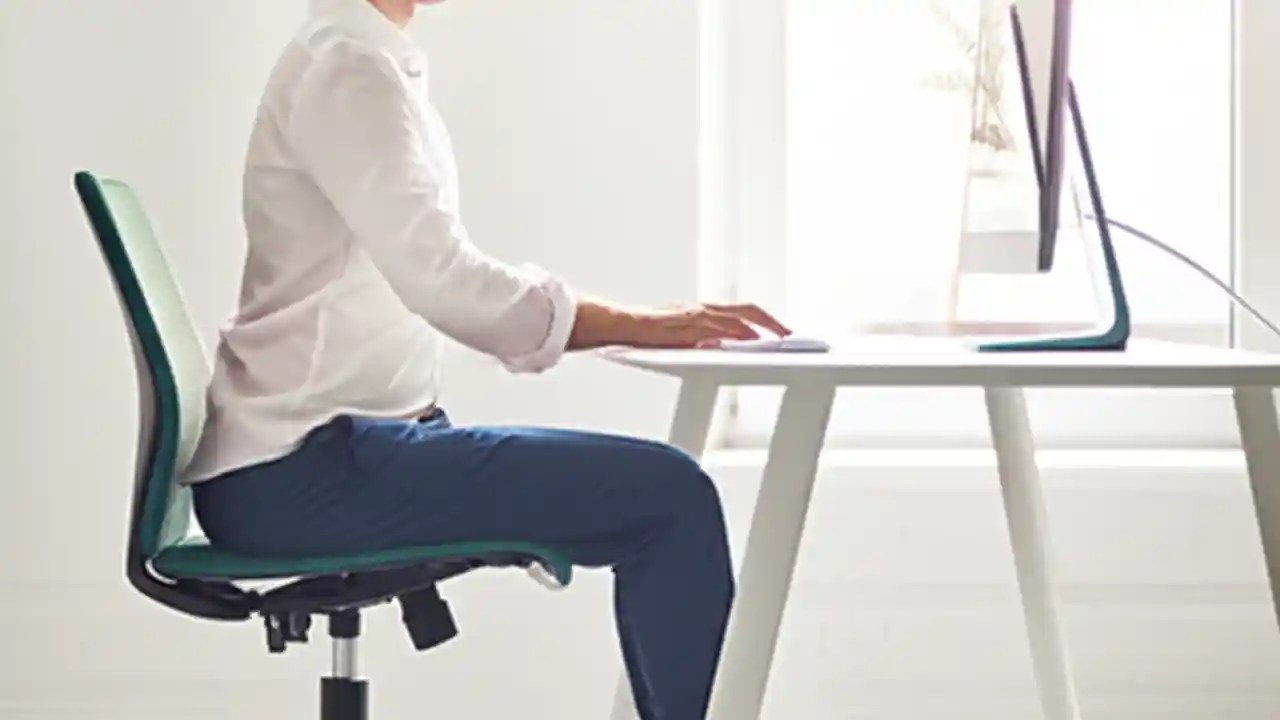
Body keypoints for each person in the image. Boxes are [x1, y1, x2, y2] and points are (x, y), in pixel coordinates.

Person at [185, 0, 791, 717]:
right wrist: (647, 324)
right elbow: (445, 282)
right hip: (304, 471)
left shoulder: (355, 58)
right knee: (670, 498)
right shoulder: (350, 71)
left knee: (658, 495)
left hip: (328, 455)